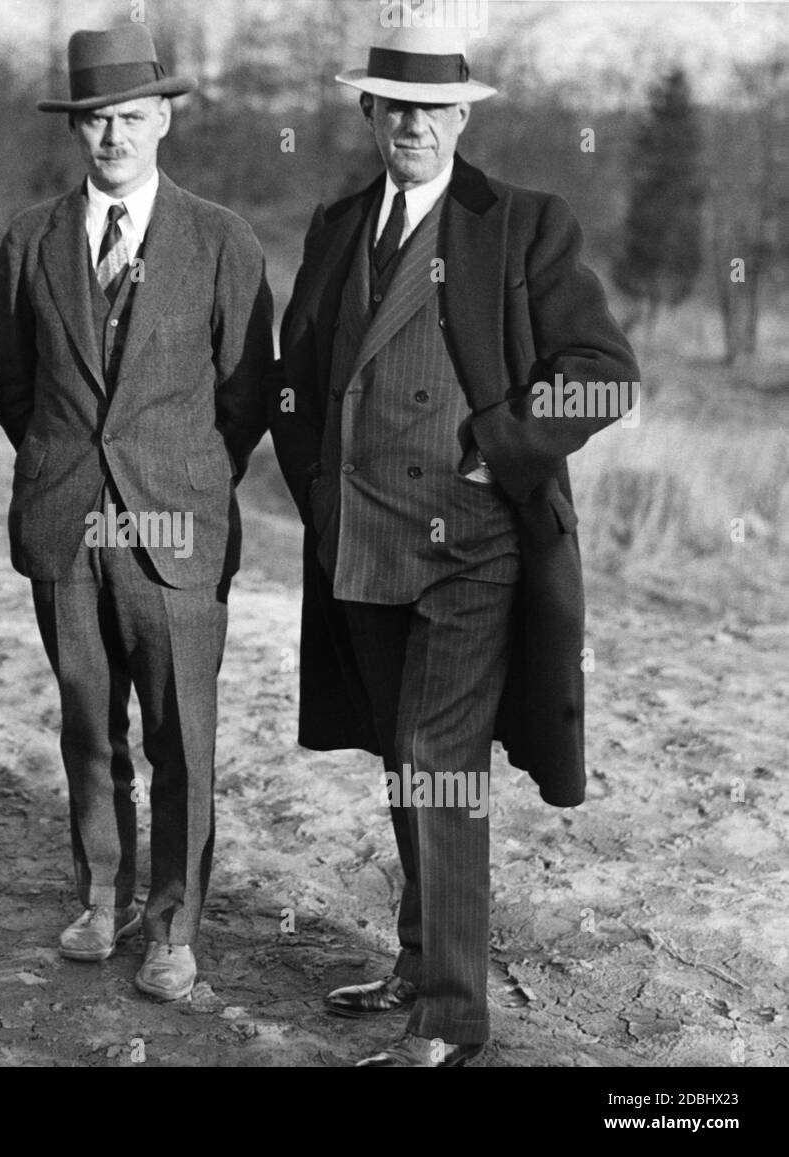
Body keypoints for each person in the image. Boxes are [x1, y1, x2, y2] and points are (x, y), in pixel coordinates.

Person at [270, 23, 639, 1065]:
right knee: (403, 759)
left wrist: (499, 445)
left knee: (439, 759)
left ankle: (450, 1017)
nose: (415, 126)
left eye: (434, 109)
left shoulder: (521, 224)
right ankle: (420, 951)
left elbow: (605, 370)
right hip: (361, 542)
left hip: (471, 548)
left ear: (463, 115)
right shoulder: (337, 222)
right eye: (395, 107)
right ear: (368, 116)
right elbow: (299, 369)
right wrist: (316, 483)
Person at [0, 23, 273, 1000]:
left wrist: (182, 477)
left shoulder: (221, 240)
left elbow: (245, 396)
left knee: (180, 736)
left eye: (129, 116)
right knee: (86, 724)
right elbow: (17, 391)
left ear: (164, 118)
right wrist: (72, 472)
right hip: (65, 523)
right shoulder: (25, 240)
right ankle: (100, 897)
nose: (111, 135)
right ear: (77, 129)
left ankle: (175, 929)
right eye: (94, 119)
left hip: (175, 531)